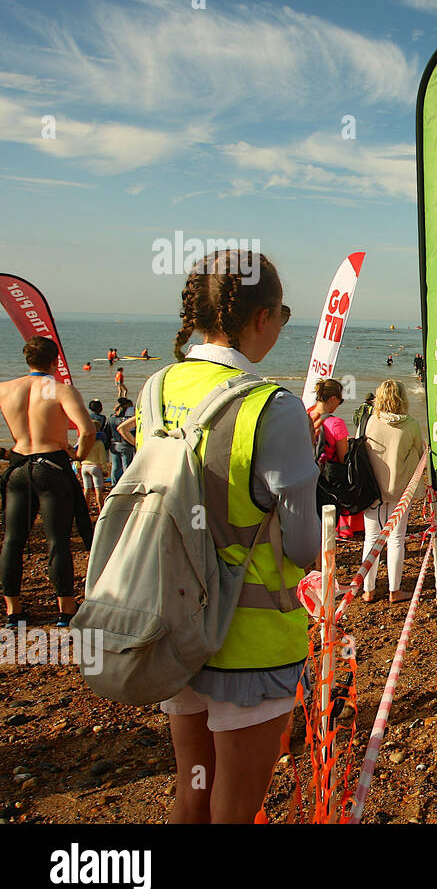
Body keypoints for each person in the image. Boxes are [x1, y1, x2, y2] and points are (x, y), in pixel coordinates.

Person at [155, 249, 319, 824]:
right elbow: (304, 548)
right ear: (261, 318)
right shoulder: (273, 408)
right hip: (250, 637)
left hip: (173, 620)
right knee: (236, 805)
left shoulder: (157, 389)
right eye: (282, 313)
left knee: (192, 790)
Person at [0, 337, 96, 628]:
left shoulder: (6, 388)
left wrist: (6, 453)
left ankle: (13, 611)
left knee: (13, 541)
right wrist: (78, 455)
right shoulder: (60, 390)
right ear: (56, 361)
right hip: (52, 467)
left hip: (18, 469)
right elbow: (87, 430)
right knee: (58, 542)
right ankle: (65, 609)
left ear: (27, 359)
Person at [359, 380, 423, 604]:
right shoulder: (412, 424)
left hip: (372, 489)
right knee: (396, 539)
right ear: (403, 398)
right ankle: (394, 590)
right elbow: (421, 454)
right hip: (400, 490)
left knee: (371, 539)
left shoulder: (370, 422)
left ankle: (368, 589)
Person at [309, 378, 361, 540]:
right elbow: (342, 457)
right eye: (340, 401)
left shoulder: (305, 415)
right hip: (327, 481)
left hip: (306, 476)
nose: (339, 405)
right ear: (333, 399)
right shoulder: (336, 423)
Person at [81, 399, 111, 510]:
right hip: (95, 467)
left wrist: (78, 466)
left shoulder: (83, 440)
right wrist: (104, 469)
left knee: (87, 489)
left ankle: (85, 508)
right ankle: (100, 508)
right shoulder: (99, 443)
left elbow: (79, 452)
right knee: (98, 489)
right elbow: (102, 457)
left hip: (84, 466)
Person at [107, 397, 136, 483]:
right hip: (125, 444)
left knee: (115, 467)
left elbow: (107, 432)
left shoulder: (111, 418)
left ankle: (114, 484)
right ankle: (126, 483)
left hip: (114, 444)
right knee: (126, 467)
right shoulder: (126, 420)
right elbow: (131, 432)